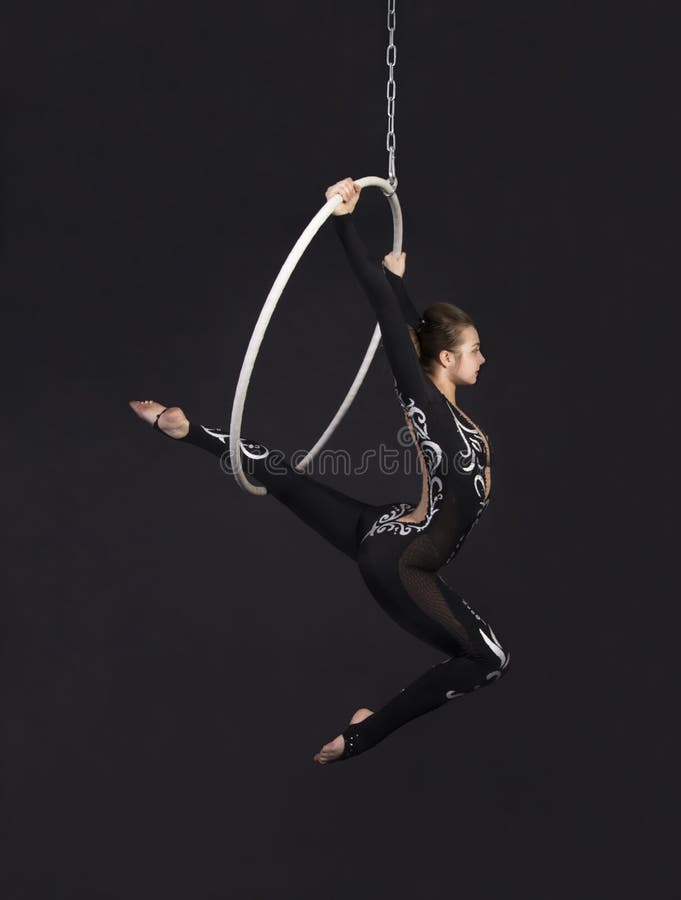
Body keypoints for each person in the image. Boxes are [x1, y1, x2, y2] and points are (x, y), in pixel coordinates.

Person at [129, 177, 510, 765]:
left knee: (287, 482)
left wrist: (401, 283)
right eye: (476, 350)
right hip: (405, 559)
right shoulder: (424, 397)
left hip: (387, 534)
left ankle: (190, 432)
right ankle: (365, 733)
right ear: (447, 360)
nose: (484, 358)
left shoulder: (441, 396)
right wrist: (344, 222)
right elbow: (388, 314)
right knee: (489, 660)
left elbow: (413, 330)